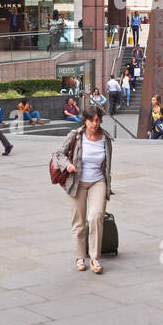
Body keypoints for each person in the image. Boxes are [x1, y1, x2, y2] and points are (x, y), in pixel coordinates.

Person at [59, 106, 114, 274]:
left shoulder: (105, 138)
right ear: (85, 120)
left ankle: (94, 257)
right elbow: (59, 154)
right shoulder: (75, 135)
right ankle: (80, 257)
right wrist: (67, 165)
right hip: (77, 182)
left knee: (96, 216)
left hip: (98, 181)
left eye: (98, 120)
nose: (95, 124)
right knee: (79, 221)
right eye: (92, 120)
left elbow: (107, 163)